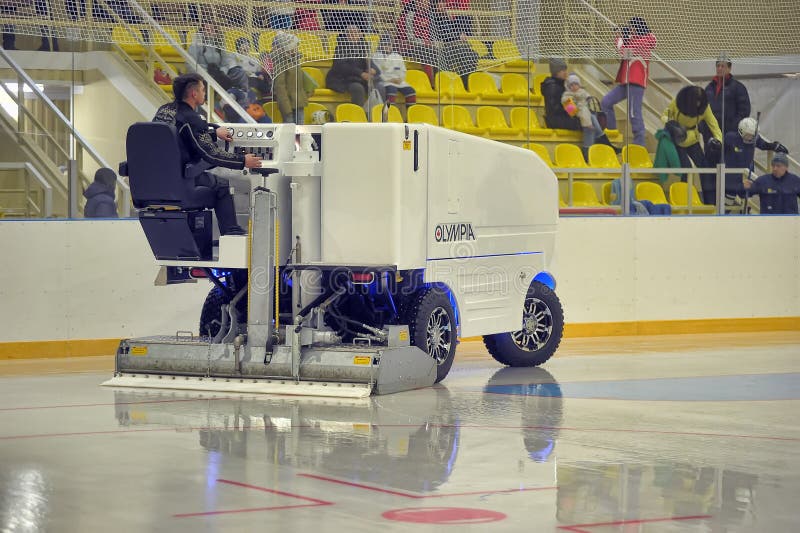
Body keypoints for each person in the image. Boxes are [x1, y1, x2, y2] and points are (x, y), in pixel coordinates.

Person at [153, 73, 262, 235]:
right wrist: (243, 161)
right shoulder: (192, 118)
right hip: (182, 181)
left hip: (159, 180)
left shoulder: (164, 110)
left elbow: (184, 137)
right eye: (203, 90)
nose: (205, 93)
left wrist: (213, 133)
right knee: (222, 185)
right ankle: (231, 233)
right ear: (194, 94)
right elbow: (212, 154)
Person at [661, 85, 723, 204]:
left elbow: (714, 125)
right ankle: (683, 200)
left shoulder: (705, 108)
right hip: (677, 139)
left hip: (692, 139)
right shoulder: (677, 103)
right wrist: (671, 124)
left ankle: (709, 202)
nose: (698, 104)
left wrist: (719, 140)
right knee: (687, 169)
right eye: (696, 100)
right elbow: (664, 115)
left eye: (700, 101)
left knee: (704, 167)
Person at [600, 17, 656, 147]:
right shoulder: (633, 40)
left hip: (636, 82)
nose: (629, 29)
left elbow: (625, 53)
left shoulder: (645, 40)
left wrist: (620, 37)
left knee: (633, 112)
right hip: (626, 81)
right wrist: (623, 36)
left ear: (637, 28)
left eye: (631, 27)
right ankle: (611, 131)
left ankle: (639, 143)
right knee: (606, 102)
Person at [724, 117, 789, 198]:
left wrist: (775, 146)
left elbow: (764, 145)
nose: (751, 137)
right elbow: (721, 150)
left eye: (753, 135)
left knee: (747, 199)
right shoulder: (730, 138)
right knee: (729, 199)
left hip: (747, 172)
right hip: (732, 175)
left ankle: (745, 208)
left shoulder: (755, 139)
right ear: (741, 131)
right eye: (749, 135)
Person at [326, 25, 378, 106]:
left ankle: (373, 113)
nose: (354, 35)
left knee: (378, 86)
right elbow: (342, 66)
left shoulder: (364, 46)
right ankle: (358, 113)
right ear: (347, 35)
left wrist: (373, 69)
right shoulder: (341, 47)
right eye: (351, 33)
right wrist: (361, 73)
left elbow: (370, 61)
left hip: (359, 79)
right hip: (343, 79)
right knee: (358, 88)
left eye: (356, 33)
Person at [702, 58, 750, 143]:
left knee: (728, 156)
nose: (719, 68)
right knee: (711, 156)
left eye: (723, 66)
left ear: (729, 68)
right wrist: (703, 128)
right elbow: (702, 109)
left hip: (729, 135)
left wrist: (732, 128)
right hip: (710, 134)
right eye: (718, 66)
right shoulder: (709, 88)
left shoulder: (738, 87)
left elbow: (744, 112)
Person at [561, 73, 605, 160]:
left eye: (576, 84)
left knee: (591, 117)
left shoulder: (583, 93)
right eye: (571, 85)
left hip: (586, 116)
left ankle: (594, 148)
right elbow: (572, 111)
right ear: (568, 87)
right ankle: (592, 148)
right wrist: (580, 106)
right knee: (590, 121)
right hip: (574, 118)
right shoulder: (566, 96)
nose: (574, 87)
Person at [272, 32, 309, 124]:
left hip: (298, 103)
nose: (297, 47)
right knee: (290, 133)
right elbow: (280, 87)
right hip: (288, 105)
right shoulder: (280, 63)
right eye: (295, 45)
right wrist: (286, 107)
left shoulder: (296, 61)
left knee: (300, 131)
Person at [188, 20, 234, 89]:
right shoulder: (196, 44)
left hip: (218, 75)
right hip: (202, 75)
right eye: (207, 29)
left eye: (212, 30)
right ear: (202, 31)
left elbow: (225, 64)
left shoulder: (220, 44)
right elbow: (190, 64)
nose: (210, 32)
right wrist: (205, 73)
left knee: (230, 80)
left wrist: (220, 72)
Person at [372, 35, 417, 105]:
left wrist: (400, 79)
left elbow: (403, 71)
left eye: (389, 44)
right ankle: (390, 112)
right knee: (392, 90)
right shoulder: (376, 56)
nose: (388, 47)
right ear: (381, 45)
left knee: (411, 91)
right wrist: (389, 80)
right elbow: (378, 73)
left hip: (399, 81)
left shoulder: (398, 56)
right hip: (386, 81)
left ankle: (410, 113)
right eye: (385, 44)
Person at [541, 58, 581, 132]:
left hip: (561, 117)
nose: (566, 73)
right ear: (556, 72)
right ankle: (595, 142)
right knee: (586, 122)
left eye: (565, 70)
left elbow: (566, 104)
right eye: (562, 70)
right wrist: (570, 109)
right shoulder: (552, 86)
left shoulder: (561, 85)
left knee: (589, 119)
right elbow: (554, 108)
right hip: (555, 120)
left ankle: (599, 140)